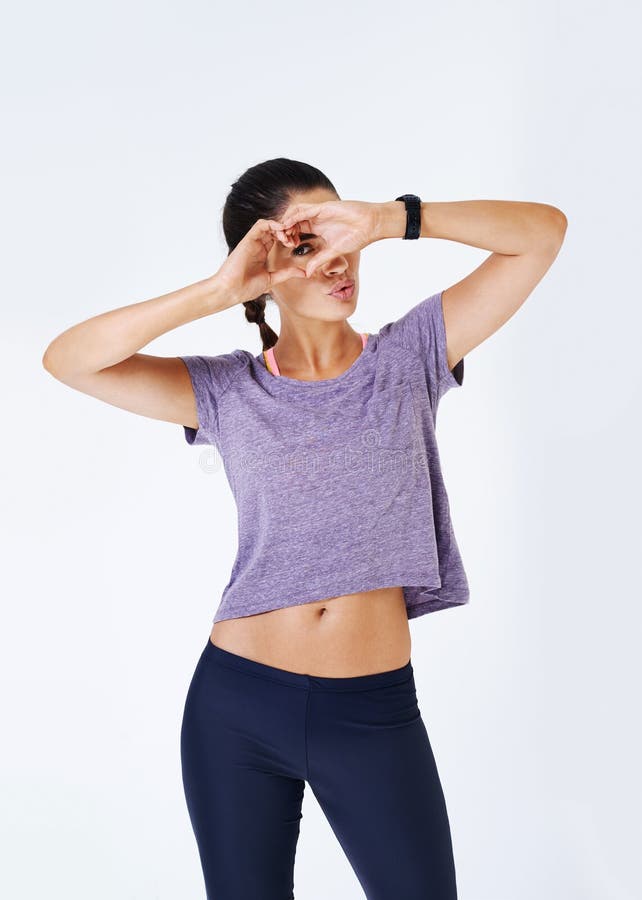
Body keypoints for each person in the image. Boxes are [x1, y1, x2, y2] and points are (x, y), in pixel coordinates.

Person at [42, 157, 567, 899]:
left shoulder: (410, 356)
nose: (337, 260)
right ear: (262, 265)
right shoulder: (225, 389)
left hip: (372, 712)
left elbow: (543, 234)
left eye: (339, 234)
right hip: (236, 709)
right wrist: (218, 291)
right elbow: (68, 361)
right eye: (305, 245)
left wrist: (389, 218)